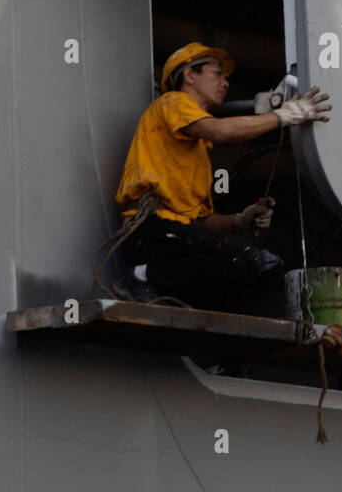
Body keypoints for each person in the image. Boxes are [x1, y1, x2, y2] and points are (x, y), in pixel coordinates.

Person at [114, 42, 330, 314]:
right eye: (217, 73)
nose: (225, 83)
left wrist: (240, 220)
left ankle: (160, 285)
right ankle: (142, 275)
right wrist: (282, 116)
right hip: (149, 229)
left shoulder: (196, 153)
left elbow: (199, 221)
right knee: (250, 259)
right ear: (189, 75)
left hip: (169, 236)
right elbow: (220, 131)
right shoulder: (173, 102)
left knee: (267, 267)